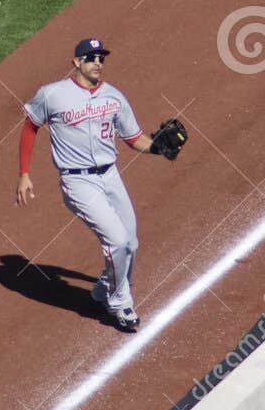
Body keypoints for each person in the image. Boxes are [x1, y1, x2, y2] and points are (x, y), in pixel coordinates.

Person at [18, 38, 178, 331]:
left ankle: (105, 288)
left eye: (101, 58)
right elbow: (30, 126)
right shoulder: (52, 94)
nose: (97, 63)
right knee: (117, 241)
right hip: (78, 181)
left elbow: (133, 138)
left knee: (130, 242)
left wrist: (157, 148)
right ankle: (119, 304)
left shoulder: (114, 97)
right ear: (76, 62)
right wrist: (24, 173)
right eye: (91, 57)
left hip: (110, 175)